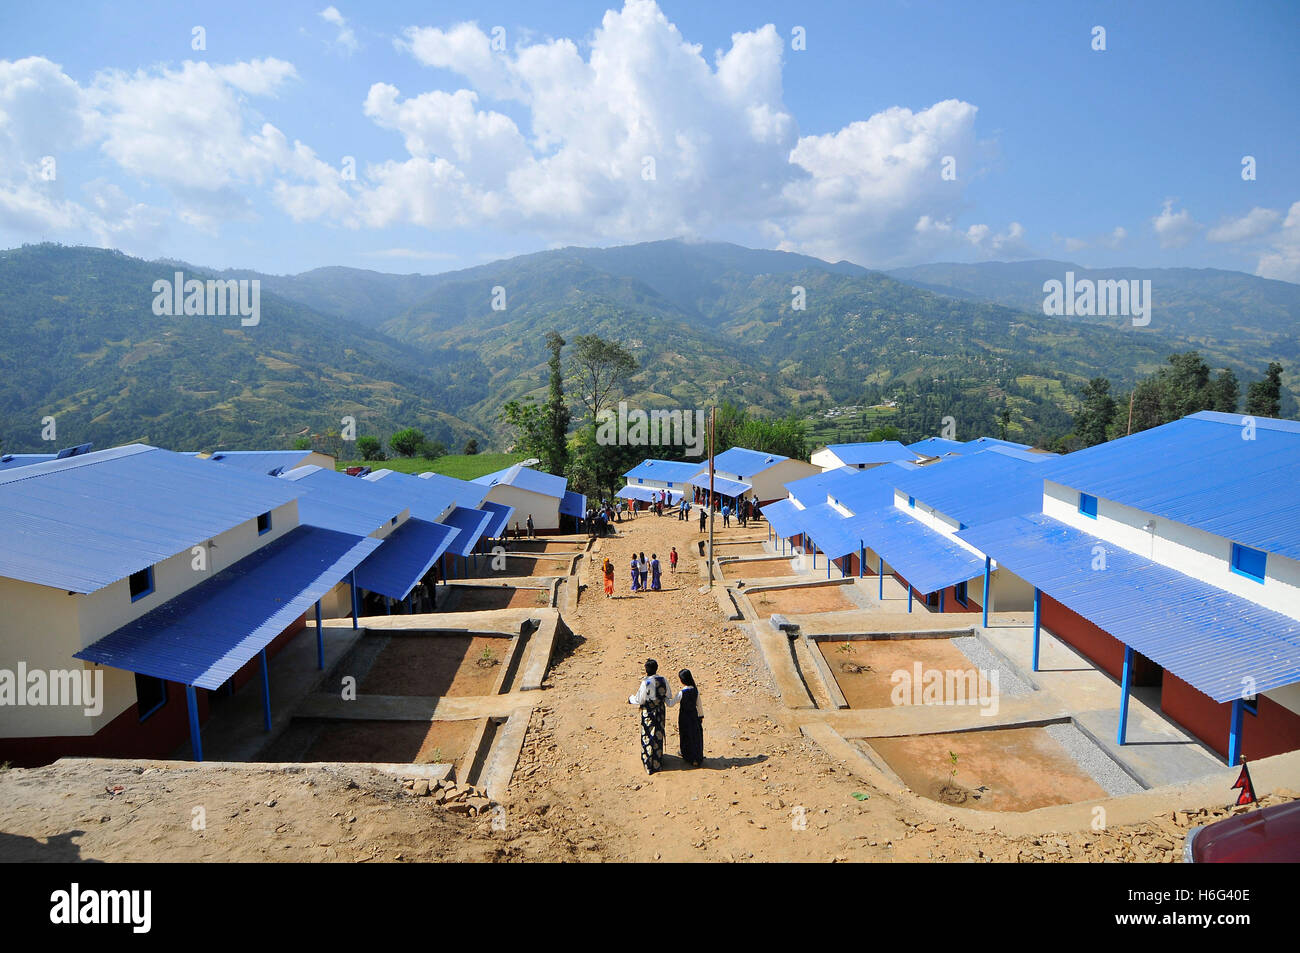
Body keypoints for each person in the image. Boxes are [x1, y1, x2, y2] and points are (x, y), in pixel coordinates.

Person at [628, 659, 672, 774]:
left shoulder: (645, 682)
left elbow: (640, 699)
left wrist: (631, 699)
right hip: (660, 712)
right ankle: (657, 761)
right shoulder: (663, 680)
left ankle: (648, 762)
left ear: (646, 670)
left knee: (647, 735)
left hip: (648, 712)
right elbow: (669, 695)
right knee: (658, 733)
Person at [673, 670, 704, 767]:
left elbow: (671, 703)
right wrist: (701, 716)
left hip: (684, 717)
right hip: (694, 717)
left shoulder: (682, 693)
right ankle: (696, 757)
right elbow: (699, 705)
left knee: (685, 735)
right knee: (695, 736)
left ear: (682, 681)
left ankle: (687, 755)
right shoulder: (695, 690)